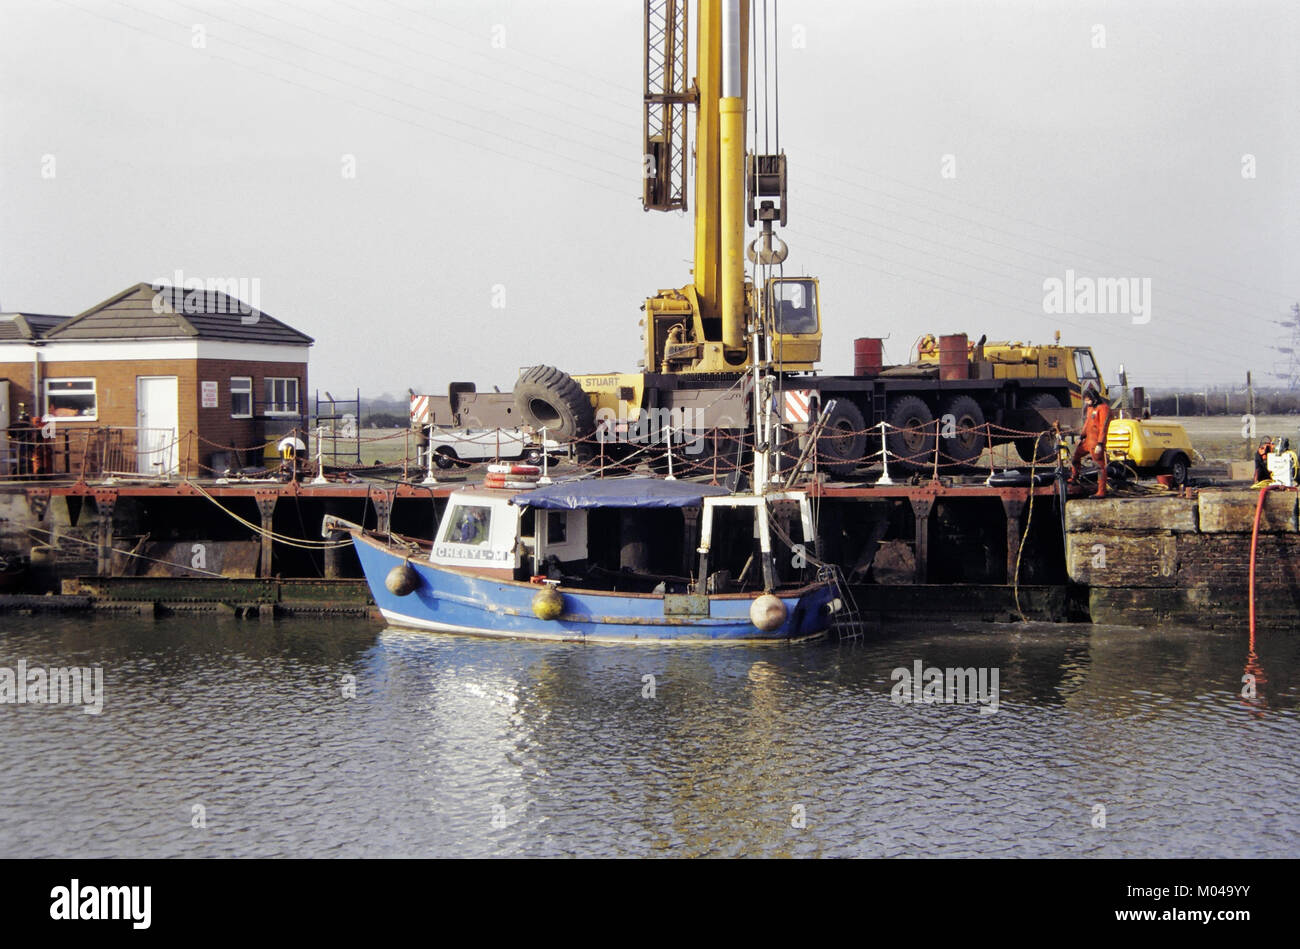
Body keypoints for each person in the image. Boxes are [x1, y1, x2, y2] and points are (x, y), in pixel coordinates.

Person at [1070, 385, 1111, 498]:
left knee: (1099, 466)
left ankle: (1101, 491)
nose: (1087, 402)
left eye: (1088, 400)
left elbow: (1103, 427)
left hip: (1096, 443)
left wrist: (1100, 444)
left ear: (1094, 398)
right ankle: (1074, 478)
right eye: (1086, 400)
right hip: (1087, 441)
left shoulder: (1103, 408)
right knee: (1075, 457)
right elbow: (1087, 424)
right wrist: (1081, 437)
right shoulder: (1090, 408)